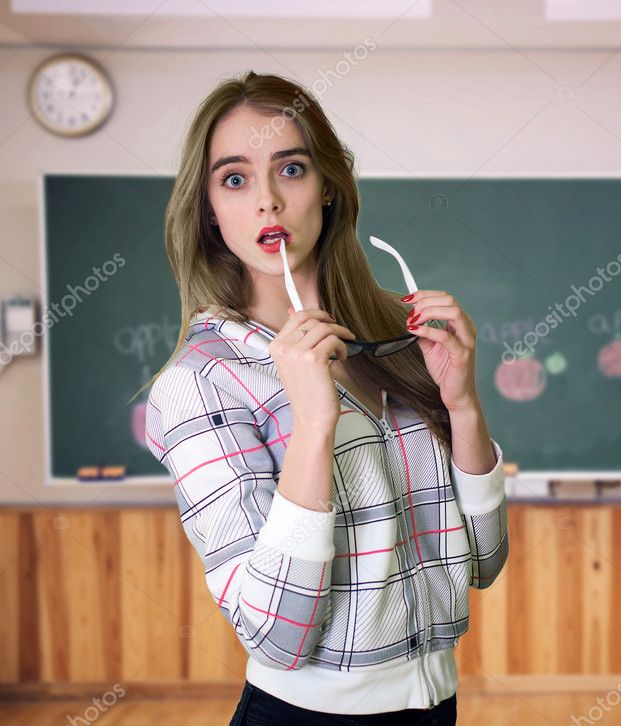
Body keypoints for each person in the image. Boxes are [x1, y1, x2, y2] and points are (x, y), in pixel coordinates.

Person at [135, 70, 509, 725]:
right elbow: (276, 636)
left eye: (291, 169)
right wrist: (312, 425)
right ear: (209, 212)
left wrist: (464, 406)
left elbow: (482, 562)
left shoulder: (395, 341)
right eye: (234, 178)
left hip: (434, 706)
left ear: (329, 188)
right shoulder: (199, 383)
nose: (267, 203)